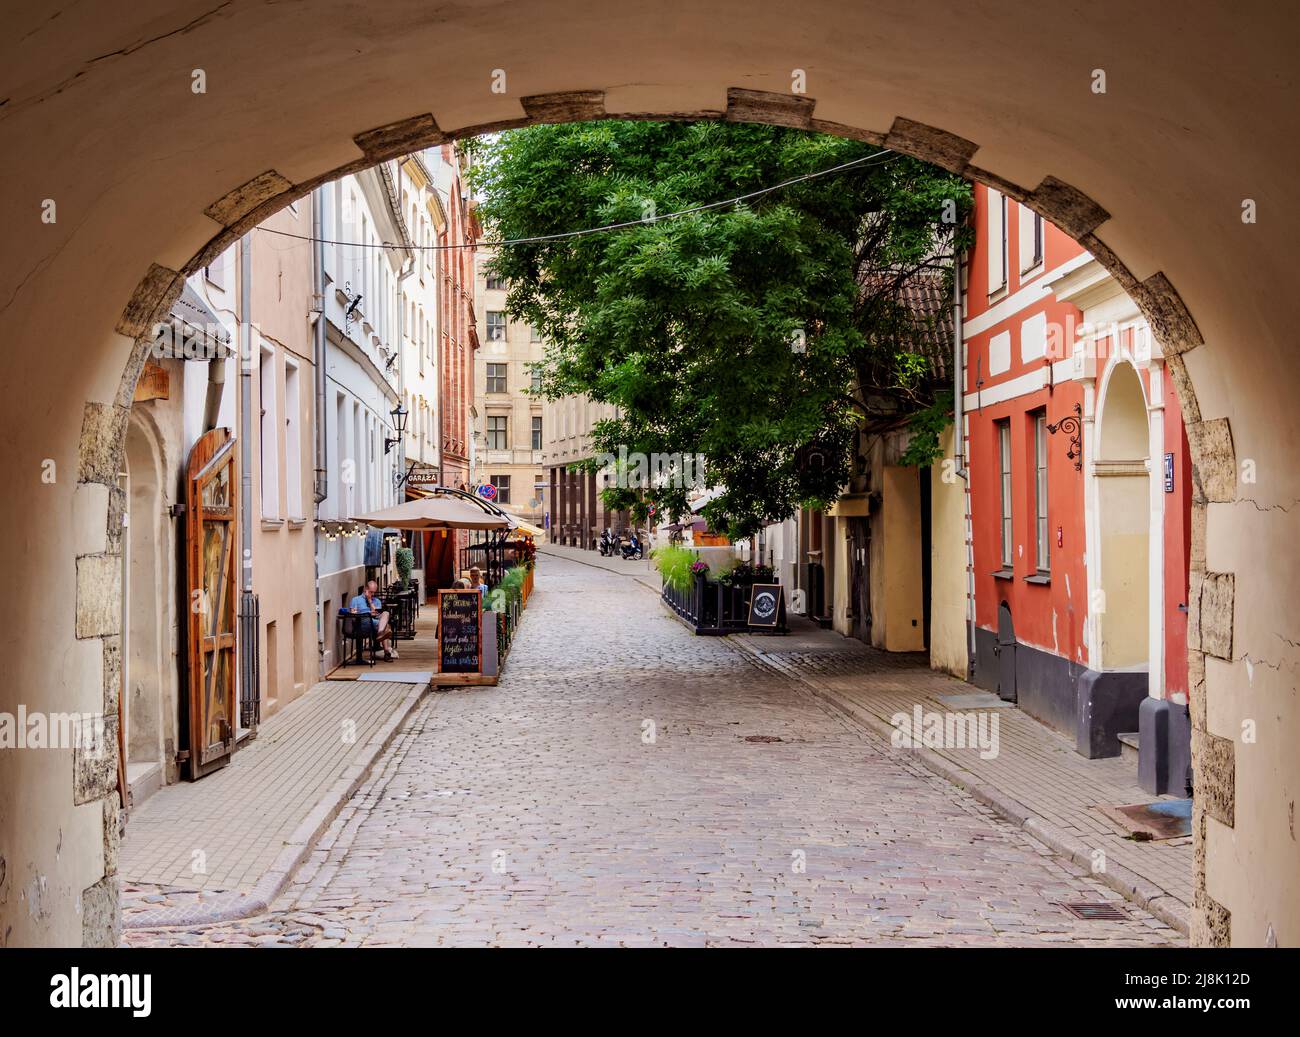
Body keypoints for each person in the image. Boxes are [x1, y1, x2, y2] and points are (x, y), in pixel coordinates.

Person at [349, 578, 398, 660]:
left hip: (374, 625)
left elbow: (377, 613)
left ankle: (380, 633)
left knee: (386, 613)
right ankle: (386, 651)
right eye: (371, 592)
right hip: (361, 624)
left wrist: (370, 601)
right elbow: (352, 613)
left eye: (374, 592)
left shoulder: (376, 601)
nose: (372, 594)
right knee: (386, 627)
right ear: (365, 589)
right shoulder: (356, 599)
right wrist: (365, 613)